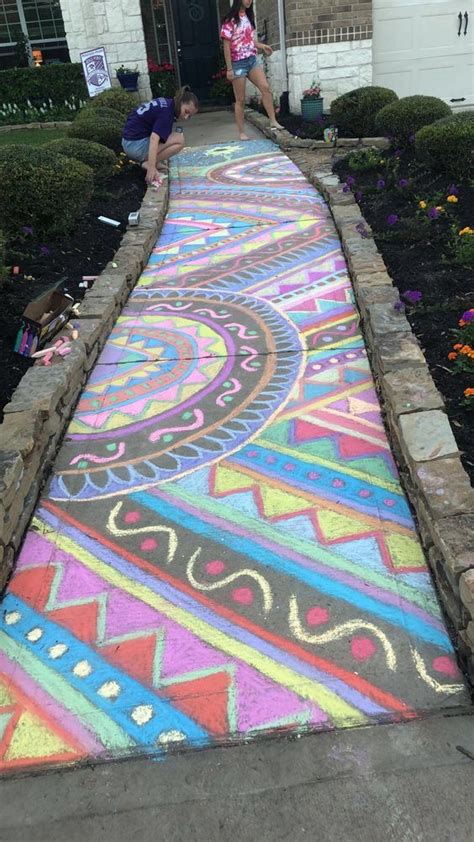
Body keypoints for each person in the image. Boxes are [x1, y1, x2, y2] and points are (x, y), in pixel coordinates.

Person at [221, 0, 283, 141]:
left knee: (265, 88)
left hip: (251, 60)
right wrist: (229, 69)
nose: (249, 0)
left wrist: (261, 46)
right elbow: (226, 46)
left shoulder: (249, 17)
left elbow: (248, 40)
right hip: (237, 64)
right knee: (240, 100)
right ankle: (242, 132)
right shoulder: (229, 20)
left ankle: (273, 121)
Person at [122, 86, 198, 185]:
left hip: (129, 141)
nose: (186, 117)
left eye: (190, 116)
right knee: (179, 139)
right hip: (135, 146)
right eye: (186, 112)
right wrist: (152, 168)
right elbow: (154, 138)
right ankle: (149, 164)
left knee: (170, 136)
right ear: (180, 102)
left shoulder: (165, 103)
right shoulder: (166, 114)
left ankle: (150, 162)